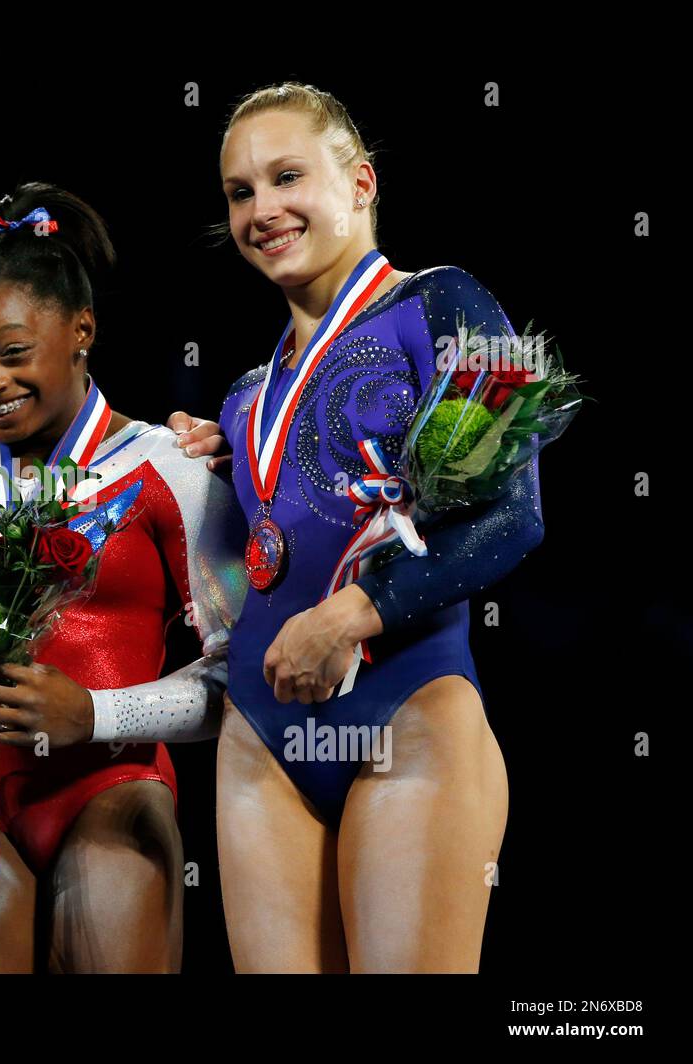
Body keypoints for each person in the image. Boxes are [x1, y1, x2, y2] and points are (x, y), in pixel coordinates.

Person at [192, 82, 544, 972]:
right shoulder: (241, 396)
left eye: (285, 177)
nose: (262, 209)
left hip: (411, 709)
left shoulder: (446, 300)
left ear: (360, 182)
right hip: (262, 740)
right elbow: (252, 560)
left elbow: (515, 515)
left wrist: (355, 613)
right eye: (240, 192)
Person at [0, 183, 248, 973]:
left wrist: (96, 713)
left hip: (114, 787)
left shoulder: (169, 469)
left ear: (82, 329)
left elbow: (240, 677)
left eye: (13, 353)